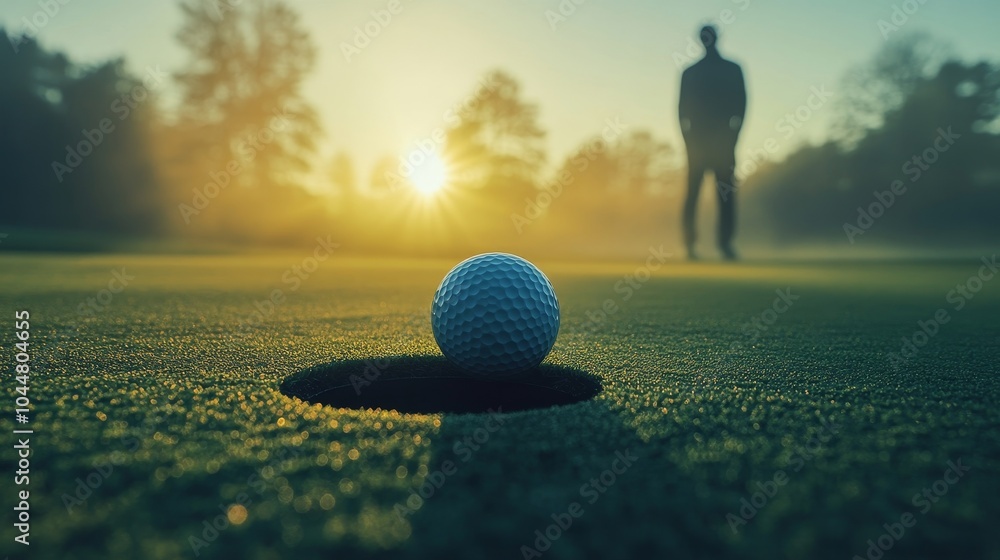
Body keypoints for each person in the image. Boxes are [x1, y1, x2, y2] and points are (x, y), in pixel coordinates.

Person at [679, 24, 746, 260]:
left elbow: (741, 105)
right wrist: (689, 142)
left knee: (722, 195)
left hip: (719, 143)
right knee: (697, 194)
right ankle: (694, 245)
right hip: (703, 144)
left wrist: (733, 138)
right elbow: (682, 111)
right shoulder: (695, 72)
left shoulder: (721, 70)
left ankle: (722, 244)